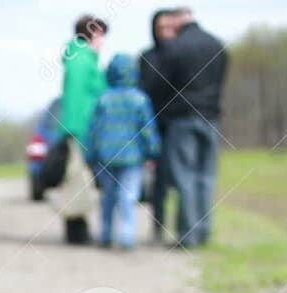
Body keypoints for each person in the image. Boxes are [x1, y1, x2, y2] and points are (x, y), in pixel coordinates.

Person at [156, 8, 228, 248]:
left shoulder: (174, 48)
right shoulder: (217, 45)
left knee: (185, 177)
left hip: (182, 119)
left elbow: (162, 87)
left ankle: (189, 236)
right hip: (211, 117)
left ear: (178, 21)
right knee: (206, 177)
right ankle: (204, 232)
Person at [85, 54, 161, 251]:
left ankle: (105, 234)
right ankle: (126, 237)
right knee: (128, 197)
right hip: (132, 159)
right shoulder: (140, 99)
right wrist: (153, 152)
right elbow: (147, 129)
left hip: (105, 158)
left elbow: (93, 130)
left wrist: (90, 155)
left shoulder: (103, 99)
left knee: (108, 197)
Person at [55, 15, 108, 246]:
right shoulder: (81, 59)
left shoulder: (82, 57)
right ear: (93, 33)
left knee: (79, 180)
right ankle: (76, 233)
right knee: (78, 180)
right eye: (101, 35)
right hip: (80, 130)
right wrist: (77, 132)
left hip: (82, 129)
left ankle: (78, 230)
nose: (103, 41)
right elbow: (77, 99)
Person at [137, 9, 179, 243]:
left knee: (182, 179)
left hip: (178, 125)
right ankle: (158, 228)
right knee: (159, 182)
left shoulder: (182, 56)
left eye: (170, 28)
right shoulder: (147, 57)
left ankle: (185, 229)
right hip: (155, 126)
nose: (165, 32)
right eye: (161, 28)